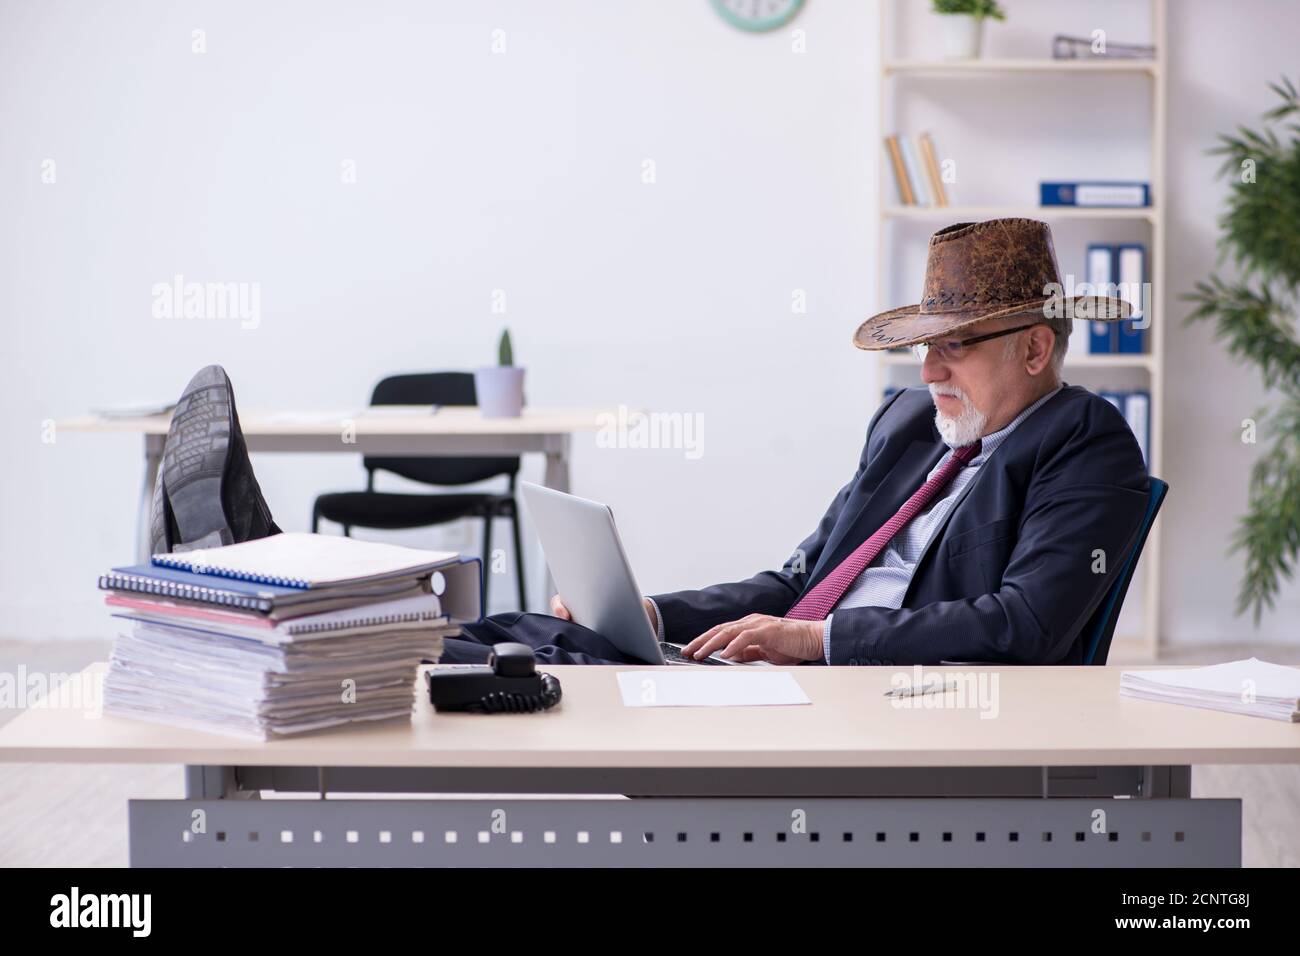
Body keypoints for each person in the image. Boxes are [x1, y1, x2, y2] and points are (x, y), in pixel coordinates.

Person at [149, 218, 1150, 667]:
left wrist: (813, 643)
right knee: (521, 638)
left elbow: (1024, 630)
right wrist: (660, 608)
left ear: (1032, 346)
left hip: (880, 693)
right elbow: (803, 572)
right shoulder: (906, 421)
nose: (929, 372)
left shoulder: (1083, 444)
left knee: (535, 669)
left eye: (956, 350)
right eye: (925, 349)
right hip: (785, 669)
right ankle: (263, 586)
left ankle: (265, 607)